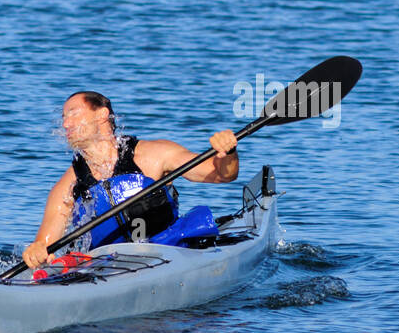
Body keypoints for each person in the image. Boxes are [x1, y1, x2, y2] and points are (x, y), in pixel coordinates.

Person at [22, 91, 239, 269]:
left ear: (102, 115)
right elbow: (45, 243)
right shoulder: (67, 187)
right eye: (63, 118)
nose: (66, 124)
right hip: (107, 267)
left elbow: (223, 174)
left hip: (169, 251)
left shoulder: (153, 155)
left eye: (73, 114)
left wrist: (227, 153)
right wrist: (36, 250)